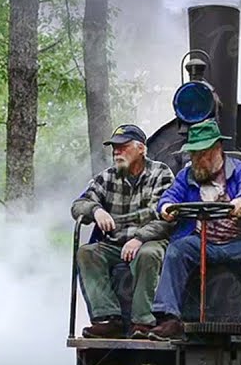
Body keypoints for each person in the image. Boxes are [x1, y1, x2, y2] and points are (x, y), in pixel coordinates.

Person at [148, 119, 241, 340]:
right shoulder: (186, 175)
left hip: (238, 242)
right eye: (194, 155)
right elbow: (169, 197)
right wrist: (166, 208)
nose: (197, 161)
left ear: (218, 150)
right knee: (177, 250)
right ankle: (168, 318)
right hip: (201, 242)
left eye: (202, 155)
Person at [71, 124, 175, 338]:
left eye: (123, 147)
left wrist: (139, 238)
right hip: (115, 244)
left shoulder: (160, 173)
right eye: (114, 148)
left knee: (148, 254)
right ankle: (109, 318)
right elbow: (78, 205)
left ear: (141, 149)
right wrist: (96, 210)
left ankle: (142, 322)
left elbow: (167, 219)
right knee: (87, 252)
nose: (117, 152)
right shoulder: (106, 178)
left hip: (150, 240)